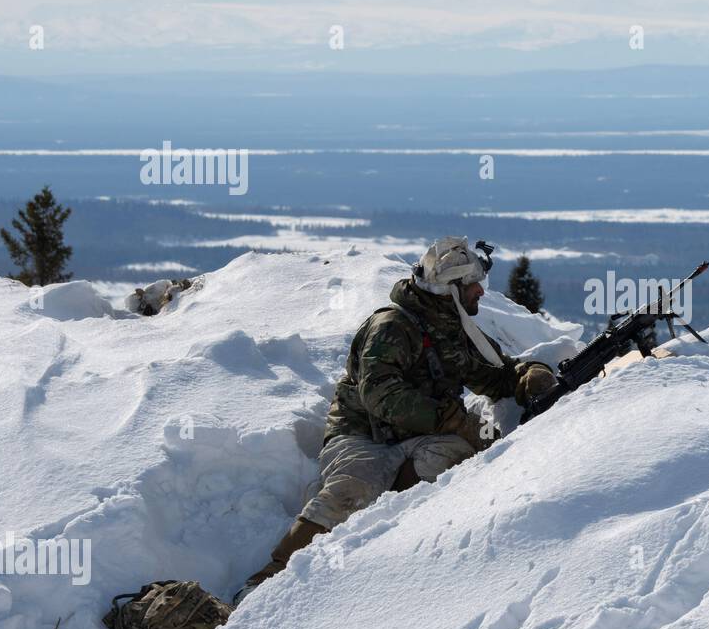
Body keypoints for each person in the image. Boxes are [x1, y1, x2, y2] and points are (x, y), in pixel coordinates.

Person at [235, 237, 555, 602]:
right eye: (471, 285)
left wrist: (530, 374)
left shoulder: (455, 329)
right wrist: (446, 419)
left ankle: (392, 523)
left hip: (421, 434)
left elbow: (494, 375)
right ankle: (267, 580)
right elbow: (380, 395)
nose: (480, 291)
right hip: (362, 435)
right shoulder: (391, 327)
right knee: (352, 488)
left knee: (458, 460)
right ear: (449, 291)